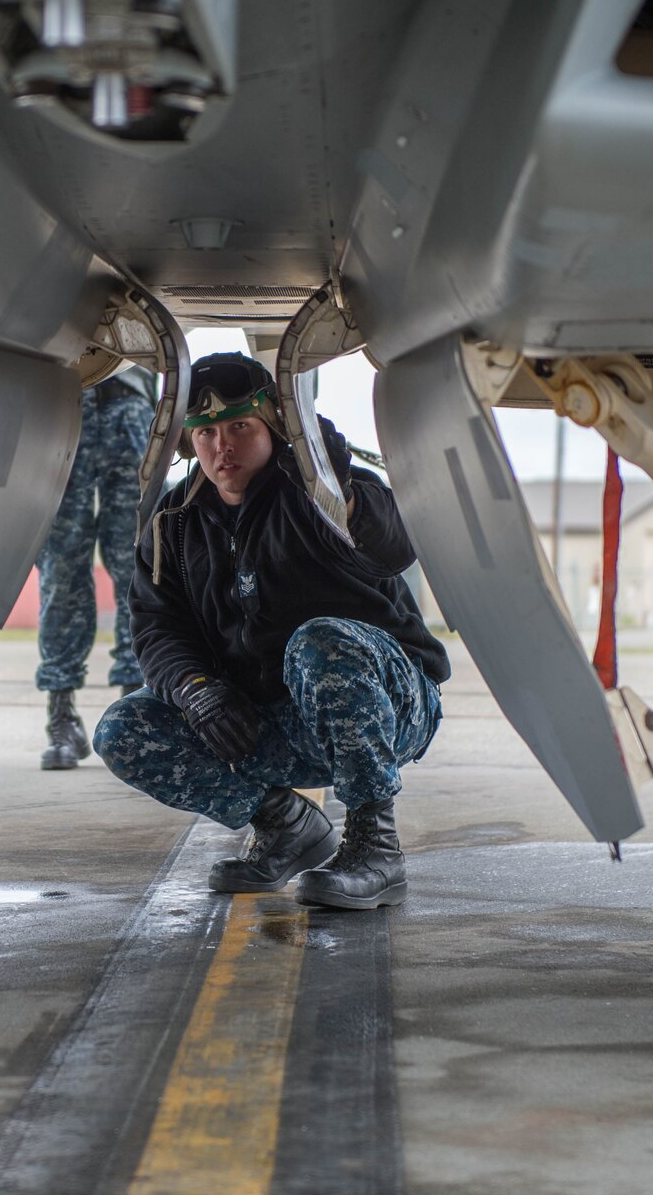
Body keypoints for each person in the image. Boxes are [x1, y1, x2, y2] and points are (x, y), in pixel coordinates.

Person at [93, 352, 448, 909]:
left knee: (320, 640)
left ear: (275, 428)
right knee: (124, 728)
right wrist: (196, 689)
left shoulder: (319, 492)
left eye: (240, 426)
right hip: (266, 720)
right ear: (189, 442)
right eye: (206, 432)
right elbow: (157, 629)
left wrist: (339, 485)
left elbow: (393, 545)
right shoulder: (172, 524)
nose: (222, 447)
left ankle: (374, 844)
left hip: (385, 703)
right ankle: (286, 825)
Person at [36, 363, 156, 769]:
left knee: (135, 564)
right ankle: (62, 717)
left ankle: (134, 709)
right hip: (59, 405)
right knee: (61, 566)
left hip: (130, 403)